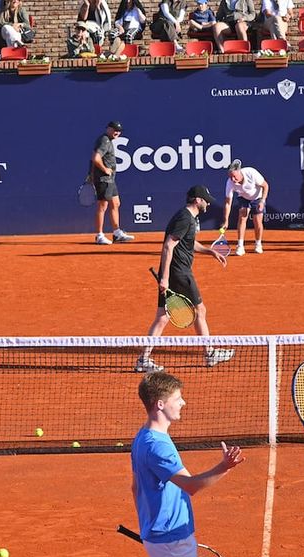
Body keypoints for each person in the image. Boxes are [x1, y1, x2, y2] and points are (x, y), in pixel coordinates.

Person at [85, 370, 244, 557]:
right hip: (170, 538)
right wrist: (225, 467)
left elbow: (136, 488)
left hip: (173, 531)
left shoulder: (148, 437)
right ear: (159, 404)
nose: (182, 402)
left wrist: (146, 526)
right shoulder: (157, 446)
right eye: (176, 398)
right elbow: (192, 485)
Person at [135, 185, 235, 373]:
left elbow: (187, 242)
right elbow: (168, 246)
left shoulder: (187, 218)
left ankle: (143, 359)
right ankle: (210, 354)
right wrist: (164, 278)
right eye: (205, 200)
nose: (207, 204)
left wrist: (209, 251)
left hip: (175, 272)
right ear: (197, 200)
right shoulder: (185, 218)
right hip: (179, 273)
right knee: (200, 309)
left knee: (163, 317)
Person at [91, 121, 135, 245]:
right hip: (104, 179)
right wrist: (105, 169)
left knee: (115, 203)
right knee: (102, 206)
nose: (117, 132)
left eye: (119, 131)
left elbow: (94, 158)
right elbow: (95, 158)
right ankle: (99, 235)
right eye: (114, 129)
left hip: (110, 180)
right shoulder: (104, 140)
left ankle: (117, 233)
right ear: (108, 129)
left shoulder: (108, 141)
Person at [224, 159, 269, 255]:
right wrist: (226, 220)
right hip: (243, 197)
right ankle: (240, 246)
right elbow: (228, 203)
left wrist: (262, 201)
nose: (232, 179)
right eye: (230, 177)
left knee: (257, 221)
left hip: (257, 197)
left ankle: (258, 244)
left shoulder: (251, 172)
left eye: (234, 176)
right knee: (242, 217)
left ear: (239, 172)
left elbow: (265, 185)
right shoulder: (230, 183)